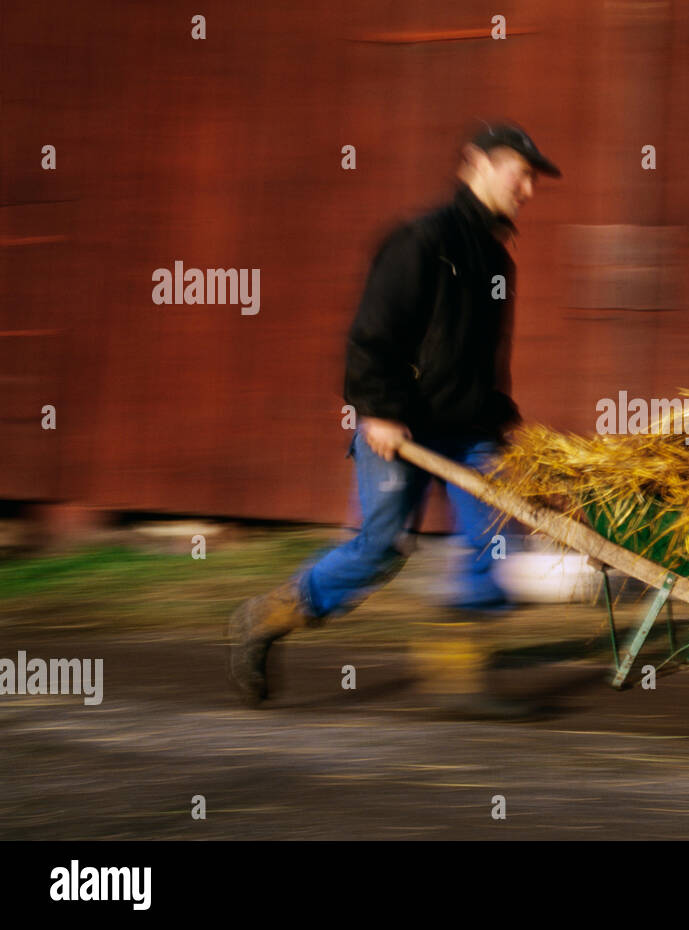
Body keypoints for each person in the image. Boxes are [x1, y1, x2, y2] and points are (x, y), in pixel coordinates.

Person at [228, 121, 561, 718]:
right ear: (477, 163)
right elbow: (372, 336)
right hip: (399, 424)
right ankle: (267, 617)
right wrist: (379, 410)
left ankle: (459, 678)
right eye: (522, 173)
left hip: (467, 431)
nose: (529, 189)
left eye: (534, 178)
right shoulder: (420, 241)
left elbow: (483, 358)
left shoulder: (494, 258)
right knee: (381, 548)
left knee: (494, 538)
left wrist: (498, 422)